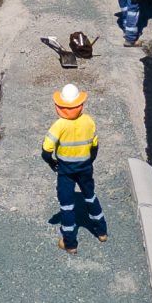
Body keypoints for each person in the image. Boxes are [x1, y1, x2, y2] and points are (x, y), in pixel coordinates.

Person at [41, 84, 109, 249]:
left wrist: (52, 163)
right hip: (85, 168)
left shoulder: (59, 125)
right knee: (90, 196)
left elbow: (46, 150)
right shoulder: (88, 121)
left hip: (65, 171)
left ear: (60, 107)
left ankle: (70, 243)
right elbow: (95, 146)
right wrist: (89, 161)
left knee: (67, 205)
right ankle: (101, 232)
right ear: (80, 105)